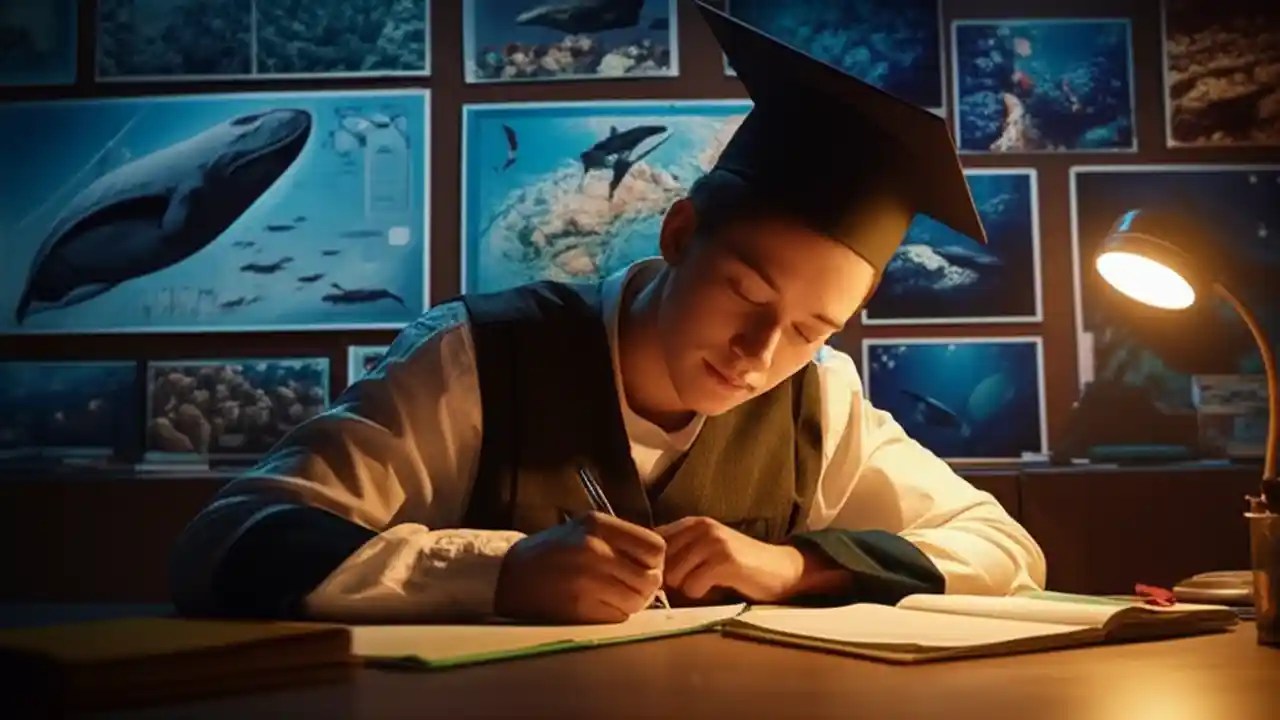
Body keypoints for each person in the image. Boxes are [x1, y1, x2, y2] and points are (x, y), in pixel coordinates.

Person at [170, 2, 1046, 624]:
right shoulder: (481, 358)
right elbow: (231, 541)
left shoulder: (819, 401)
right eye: (745, 291)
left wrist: (797, 567)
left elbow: (1005, 551)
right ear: (679, 231)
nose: (759, 353)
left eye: (814, 329)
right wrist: (497, 574)